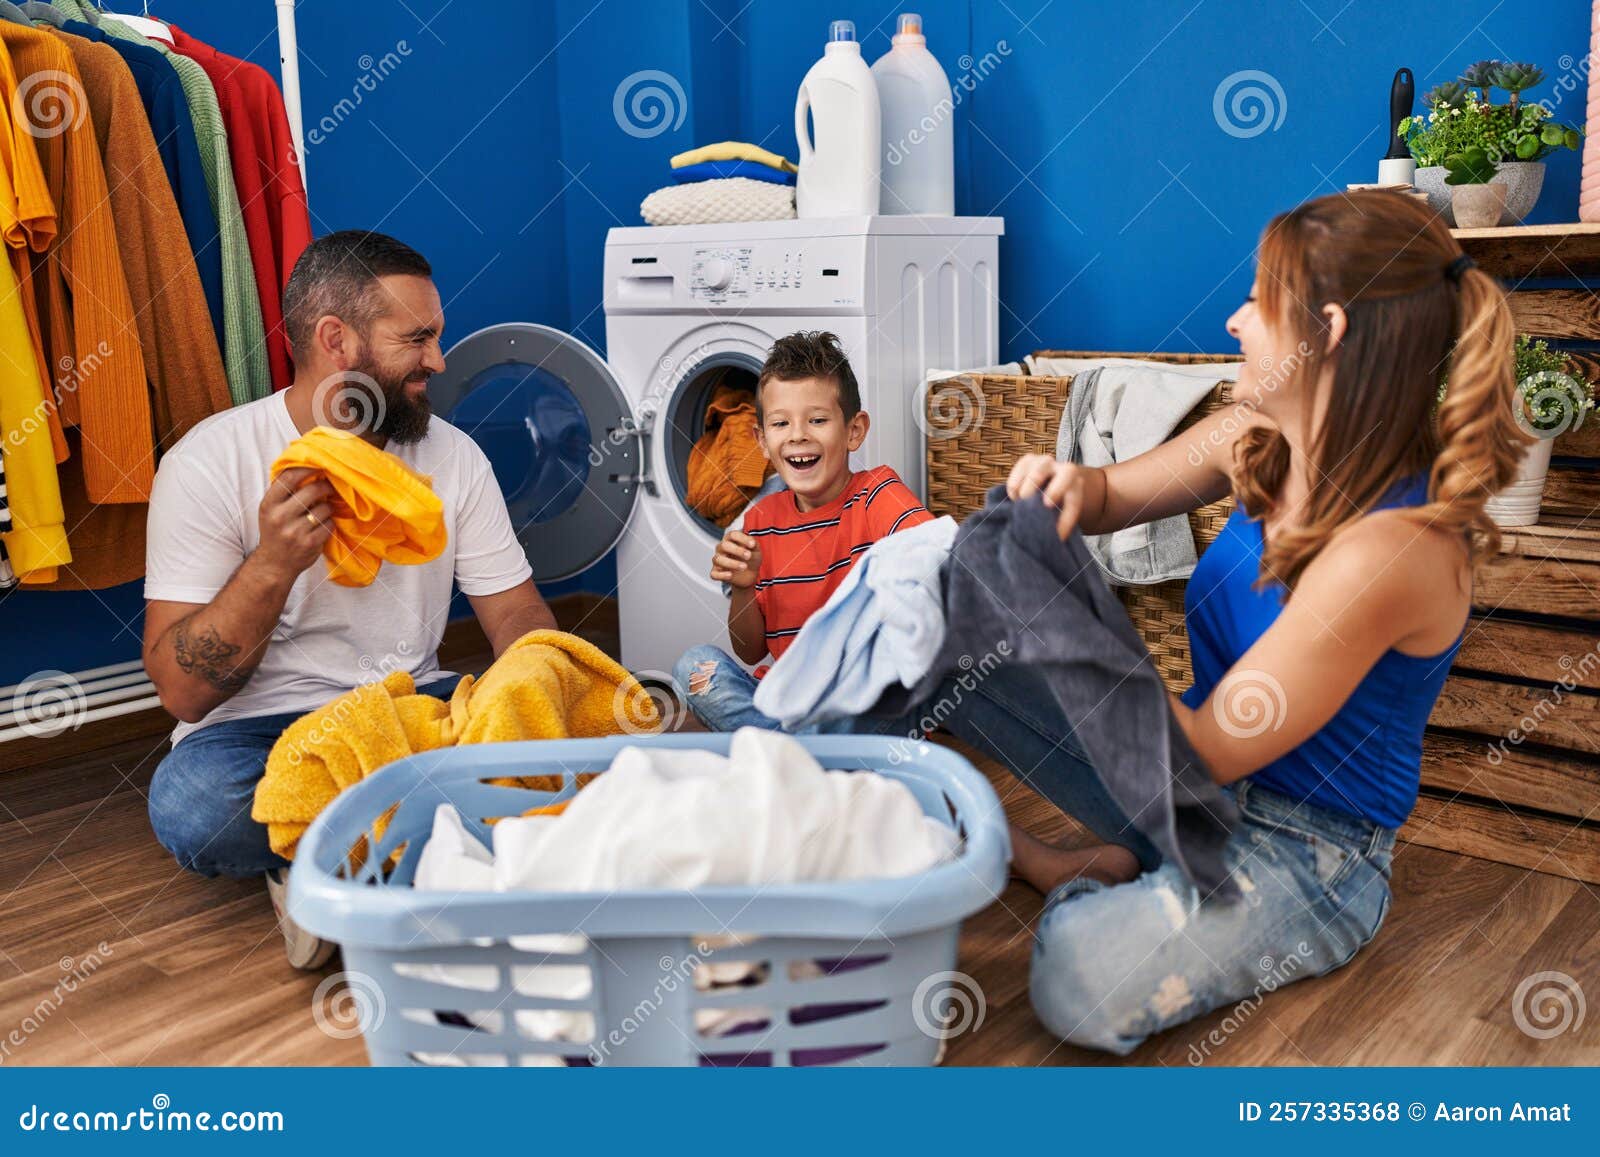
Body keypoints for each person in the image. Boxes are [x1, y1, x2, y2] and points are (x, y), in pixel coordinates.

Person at [904, 191, 1526, 1053]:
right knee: (931, 637)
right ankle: (798, 827)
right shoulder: (1259, 433)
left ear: (1328, 332)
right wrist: (1067, 490)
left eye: (1259, 303)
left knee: (1079, 977)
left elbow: (1209, 748)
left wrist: (1055, 618)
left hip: (1307, 853)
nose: (1235, 321)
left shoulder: (1392, 552)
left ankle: (1102, 880)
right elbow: (1112, 494)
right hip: (1188, 788)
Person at [142, 230, 555, 968]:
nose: (439, 360)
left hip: (406, 705)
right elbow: (182, 691)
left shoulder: (452, 457)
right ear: (337, 340)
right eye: (418, 338)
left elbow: (516, 612)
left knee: (542, 740)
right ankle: (435, 848)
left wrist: (533, 690)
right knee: (195, 807)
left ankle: (319, 861)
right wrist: (272, 563)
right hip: (254, 735)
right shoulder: (210, 460)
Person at [673, 330, 933, 730]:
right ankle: (807, 753)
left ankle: (789, 753)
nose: (797, 435)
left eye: (817, 420)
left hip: (863, 700)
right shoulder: (759, 522)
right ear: (762, 440)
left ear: (854, 430)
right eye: (780, 423)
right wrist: (744, 588)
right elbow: (750, 650)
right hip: (789, 702)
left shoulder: (877, 495)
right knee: (694, 666)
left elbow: (935, 553)